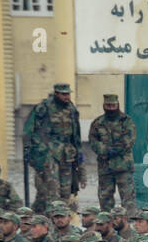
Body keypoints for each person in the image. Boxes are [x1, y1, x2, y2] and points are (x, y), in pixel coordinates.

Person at [24, 83, 84, 213]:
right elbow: (30, 130)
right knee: (52, 191)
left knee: (66, 191)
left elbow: (76, 133)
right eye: (63, 94)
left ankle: (56, 217)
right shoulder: (44, 107)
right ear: (56, 93)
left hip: (67, 154)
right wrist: (35, 152)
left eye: (68, 94)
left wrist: (79, 152)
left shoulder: (71, 108)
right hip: (49, 153)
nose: (66, 97)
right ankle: (50, 220)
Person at [88, 94, 136, 212]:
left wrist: (116, 149)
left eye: (113, 105)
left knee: (128, 199)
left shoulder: (126, 121)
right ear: (104, 106)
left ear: (117, 105)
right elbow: (93, 141)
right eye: (108, 105)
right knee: (105, 198)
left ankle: (129, 224)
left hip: (124, 167)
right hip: (105, 168)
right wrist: (106, 150)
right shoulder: (98, 123)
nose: (111, 108)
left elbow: (129, 139)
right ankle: (107, 225)